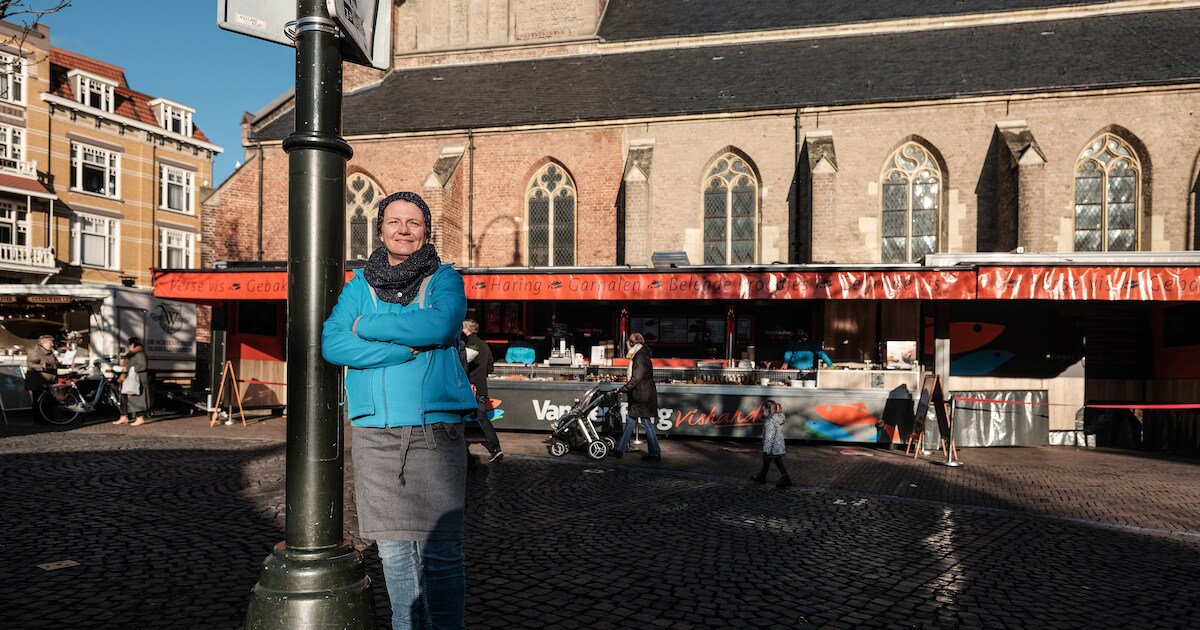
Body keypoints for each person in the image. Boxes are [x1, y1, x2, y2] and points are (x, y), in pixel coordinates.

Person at [322, 191, 476, 630]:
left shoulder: (445, 279)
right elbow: (333, 343)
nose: (403, 229)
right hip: (376, 432)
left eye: (413, 222)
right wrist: (400, 351)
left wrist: (367, 326)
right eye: (394, 221)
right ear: (380, 229)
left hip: (435, 430)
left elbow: (440, 324)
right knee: (391, 551)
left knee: (441, 551)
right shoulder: (358, 286)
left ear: (426, 230)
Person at [613, 332, 662, 461]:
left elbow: (636, 378)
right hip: (642, 393)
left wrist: (623, 389)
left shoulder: (639, 357)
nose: (626, 345)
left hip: (642, 396)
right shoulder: (642, 355)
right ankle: (620, 449)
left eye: (627, 343)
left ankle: (655, 453)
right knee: (631, 421)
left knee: (645, 422)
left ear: (632, 343)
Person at [461, 318, 503, 463]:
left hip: (468, 388)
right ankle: (496, 449)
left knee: (460, 421)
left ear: (466, 330)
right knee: (483, 419)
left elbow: (462, 366)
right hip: (481, 387)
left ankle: (464, 455)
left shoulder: (465, 344)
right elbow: (490, 368)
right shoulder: (485, 346)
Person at [751, 399, 792, 488]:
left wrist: (766, 450)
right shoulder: (777, 418)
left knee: (777, 462)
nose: (762, 412)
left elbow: (769, 438)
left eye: (764, 410)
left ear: (769, 410)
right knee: (767, 461)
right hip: (777, 447)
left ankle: (786, 478)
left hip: (772, 448)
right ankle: (763, 476)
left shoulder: (770, 421)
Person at [113, 338, 149, 426]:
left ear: (133, 345)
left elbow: (142, 365)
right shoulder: (132, 354)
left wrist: (131, 369)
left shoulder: (140, 354)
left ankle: (140, 417)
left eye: (130, 344)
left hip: (138, 379)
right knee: (124, 395)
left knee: (137, 398)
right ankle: (124, 416)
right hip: (129, 378)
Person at [25, 334, 59, 398]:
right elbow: (30, 364)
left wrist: (66, 366)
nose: (52, 345)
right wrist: (42, 367)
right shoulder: (36, 352)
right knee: (39, 403)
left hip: (49, 383)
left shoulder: (50, 353)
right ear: (44, 343)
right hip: (39, 384)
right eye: (50, 343)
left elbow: (55, 364)